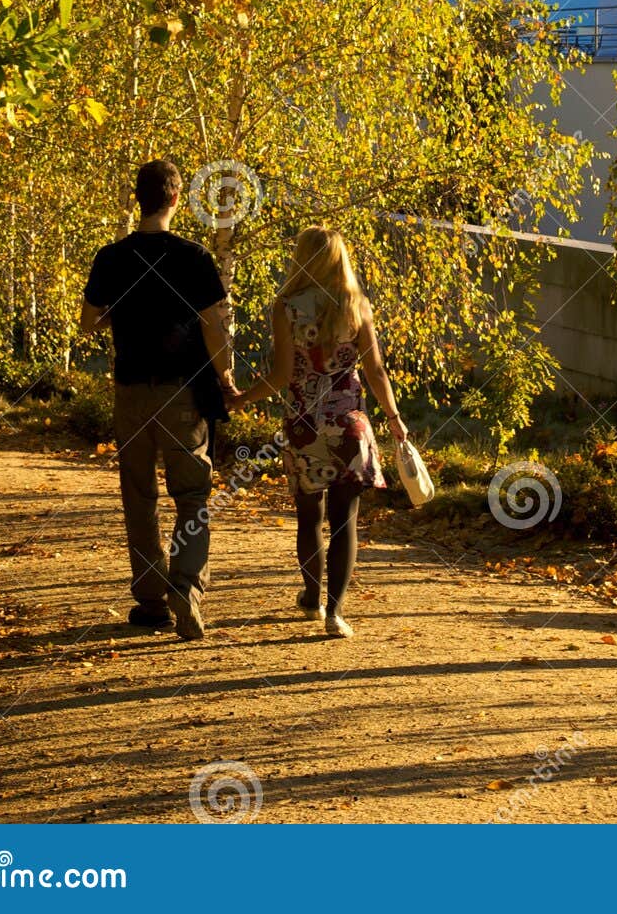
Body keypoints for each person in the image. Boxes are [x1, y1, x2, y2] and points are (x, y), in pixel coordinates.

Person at [79, 158, 238, 641]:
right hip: (183, 393)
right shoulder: (193, 258)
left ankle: (151, 600)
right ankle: (186, 591)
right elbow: (214, 325)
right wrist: (225, 375)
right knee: (192, 495)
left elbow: (88, 322)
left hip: (130, 390)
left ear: (138, 199)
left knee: (140, 494)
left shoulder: (111, 258)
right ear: (174, 199)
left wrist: (117, 318)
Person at [229, 226, 406, 638]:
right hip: (349, 425)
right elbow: (376, 371)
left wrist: (241, 399)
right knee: (346, 520)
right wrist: (395, 418)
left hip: (305, 426)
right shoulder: (357, 305)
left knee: (310, 518)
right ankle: (335, 613)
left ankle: (311, 598)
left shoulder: (286, 306)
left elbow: (280, 375)